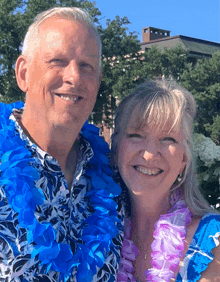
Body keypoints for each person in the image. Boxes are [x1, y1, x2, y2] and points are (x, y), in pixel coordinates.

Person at [0, 7, 123, 282]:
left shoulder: (115, 180)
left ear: (98, 81)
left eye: (86, 66)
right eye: (57, 61)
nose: (74, 77)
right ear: (23, 73)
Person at [111, 79, 220, 282]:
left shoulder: (214, 241)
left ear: (184, 159)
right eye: (136, 135)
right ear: (117, 148)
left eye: (168, 139)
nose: (150, 154)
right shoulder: (95, 237)